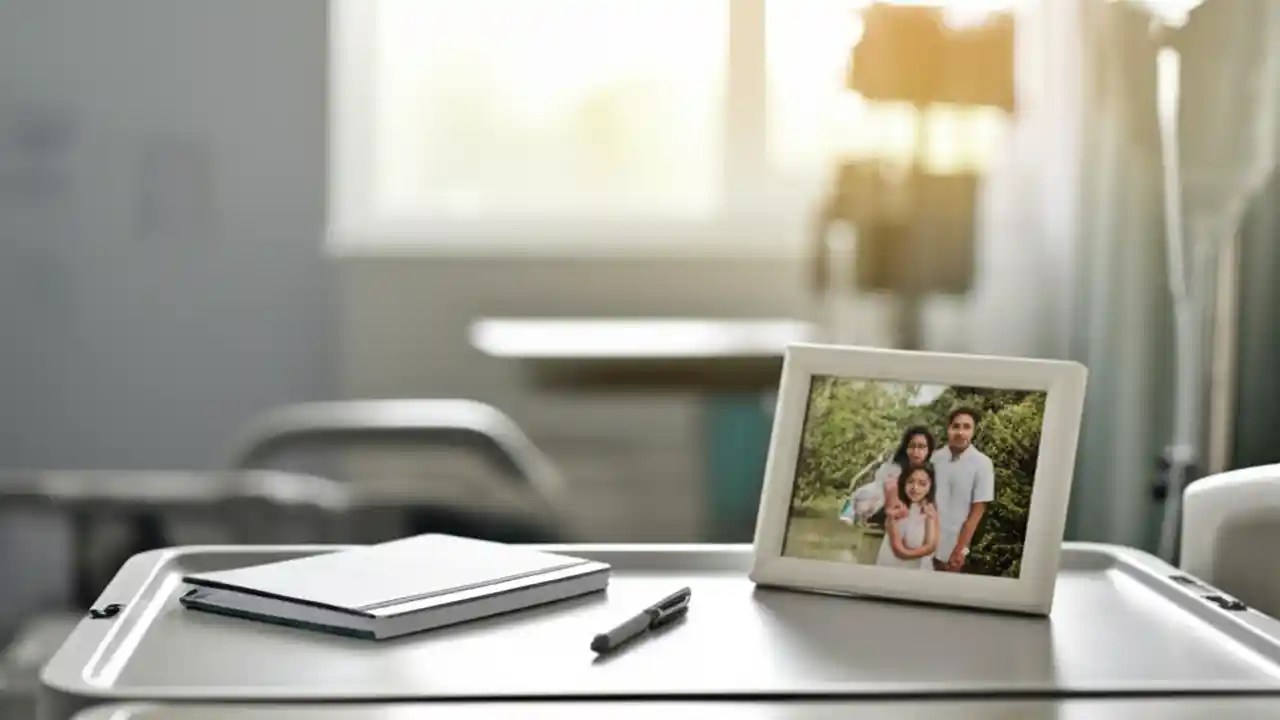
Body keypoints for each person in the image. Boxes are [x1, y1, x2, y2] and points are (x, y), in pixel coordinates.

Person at [930, 407, 995, 573]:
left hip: (954, 548)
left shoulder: (982, 464)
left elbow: (977, 512)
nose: (960, 432)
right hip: (924, 541)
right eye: (956, 426)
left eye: (966, 427)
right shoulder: (934, 458)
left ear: (973, 431)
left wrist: (961, 550)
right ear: (948, 428)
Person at [850, 426, 935, 522]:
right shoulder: (894, 469)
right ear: (906, 449)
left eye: (921, 447)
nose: (916, 452)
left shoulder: (933, 471)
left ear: (929, 450)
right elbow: (879, 492)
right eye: (912, 446)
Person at [875, 463, 939, 570]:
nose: (915, 488)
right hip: (890, 569)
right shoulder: (895, 509)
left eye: (922, 484)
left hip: (919, 572)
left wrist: (931, 518)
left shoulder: (931, 512)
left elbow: (930, 546)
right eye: (910, 482)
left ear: (930, 486)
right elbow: (898, 551)